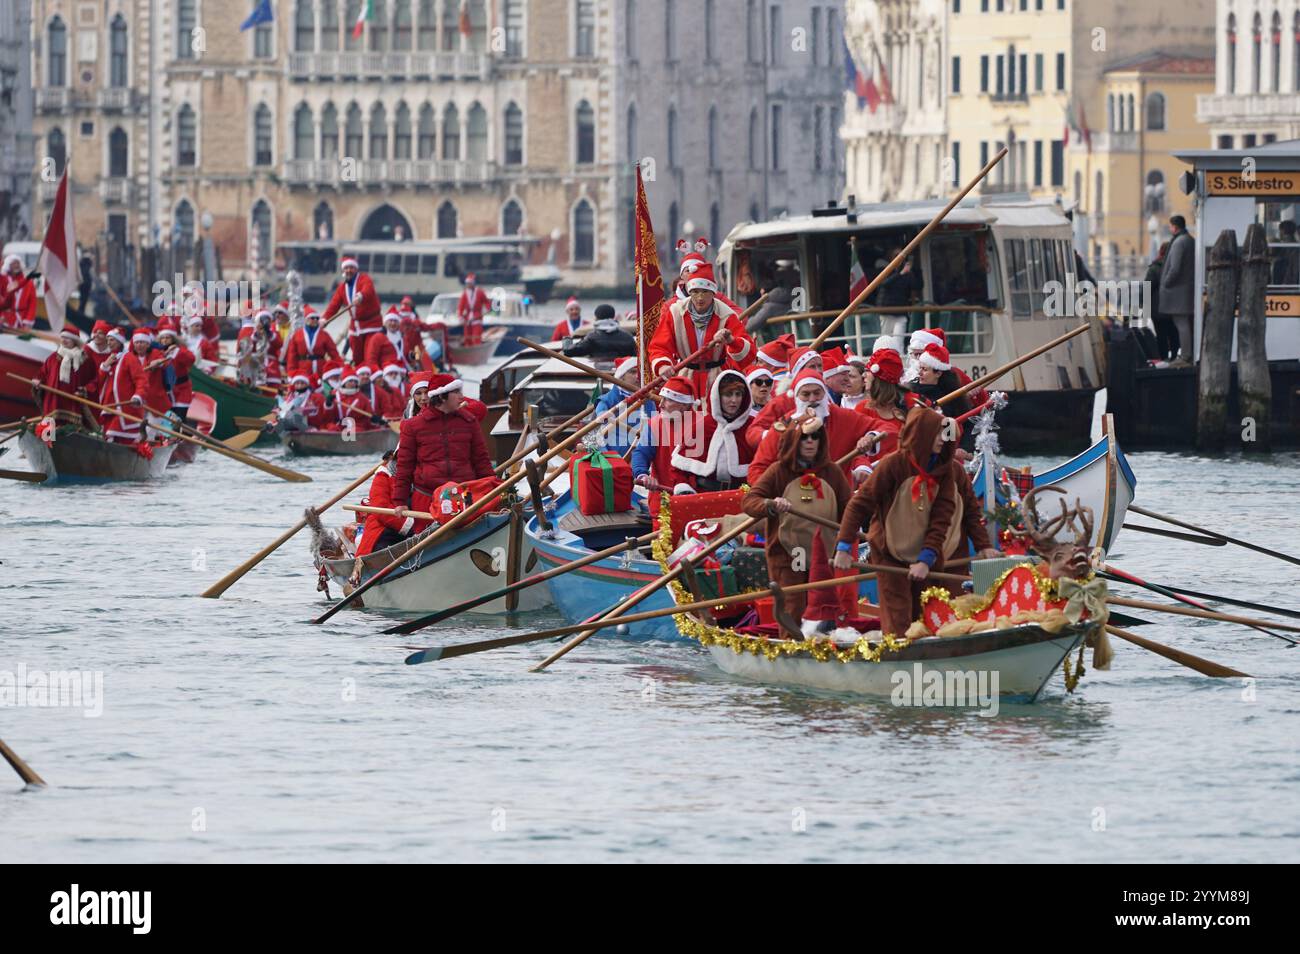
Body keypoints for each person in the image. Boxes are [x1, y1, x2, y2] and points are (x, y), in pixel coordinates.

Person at [834, 407, 999, 638]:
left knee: (937, 618)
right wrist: (843, 547)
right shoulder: (892, 465)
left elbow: (945, 518)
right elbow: (859, 504)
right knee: (899, 621)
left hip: (936, 555)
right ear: (921, 435)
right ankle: (899, 659)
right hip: (890, 554)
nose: (943, 440)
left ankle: (940, 661)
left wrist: (979, 546)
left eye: (945, 435)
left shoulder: (949, 472)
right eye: (937, 435)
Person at [742, 419, 853, 636]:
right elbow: (749, 501)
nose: (811, 442)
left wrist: (847, 539)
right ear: (795, 440)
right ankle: (789, 649)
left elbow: (849, 509)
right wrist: (770, 504)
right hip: (788, 553)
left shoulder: (832, 472)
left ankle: (823, 648)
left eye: (816, 437)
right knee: (793, 605)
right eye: (805, 438)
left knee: (825, 605)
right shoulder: (778, 471)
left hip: (823, 554)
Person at [390, 373, 499, 522]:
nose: (461, 397)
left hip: (465, 496)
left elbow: (481, 461)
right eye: (456, 393)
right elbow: (405, 466)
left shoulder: (469, 421)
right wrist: (400, 502)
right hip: (426, 498)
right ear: (442, 397)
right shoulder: (412, 426)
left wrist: (494, 489)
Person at [745, 369, 873, 486]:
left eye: (817, 393)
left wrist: (870, 437)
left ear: (825, 393)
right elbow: (757, 468)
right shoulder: (784, 425)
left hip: (836, 501)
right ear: (796, 397)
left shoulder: (843, 416)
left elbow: (884, 427)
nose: (812, 399)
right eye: (806, 394)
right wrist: (774, 495)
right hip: (793, 505)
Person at [648, 263, 754, 398]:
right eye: (696, 291)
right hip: (685, 378)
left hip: (718, 379)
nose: (700, 298)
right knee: (686, 417)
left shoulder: (727, 315)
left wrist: (731, 340)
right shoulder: (675, 312)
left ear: (713, 293)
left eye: (705, 292)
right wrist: (663, 365)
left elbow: (748, 354)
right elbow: (659, 345)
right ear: (689, 292)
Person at [670, 369, 755, 492]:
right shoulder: (704, 426)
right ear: (717, 397)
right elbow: (679, 469)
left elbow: (765, 466)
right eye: (728, 394)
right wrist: (684, 489)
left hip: (744, 498)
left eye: (738, 394)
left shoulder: (752, 427)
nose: (734, 400)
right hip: (704, 497)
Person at [631, 376, 699, 493]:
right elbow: (641, 453)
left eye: (668, 400)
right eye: (661, 399)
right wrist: (642, 475)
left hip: (697, 498)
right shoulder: (654, 424)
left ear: (685, 405)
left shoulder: (703, 425)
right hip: (662, 499)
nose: (660, 405)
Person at [355, 450, 428, 556]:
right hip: (383, 532)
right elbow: (381, 509)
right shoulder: (383, 477)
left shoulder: (420, 475)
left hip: (415, 530)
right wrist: (411, 527)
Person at [854, 347, 909, 468]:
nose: (863, 375)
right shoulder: (862, 408)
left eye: (868, 370)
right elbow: (853, 449)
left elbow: (948, 424)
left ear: (879, 379)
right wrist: (863, 468)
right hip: (873, 480)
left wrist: (956, 446)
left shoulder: (911, 405)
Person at [322, 257, 382, 360]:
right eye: (346, 268)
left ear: (356, 269)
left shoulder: (364, 278)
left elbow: (368, 289)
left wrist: (360, 296)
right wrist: (324, 319)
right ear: (343, 271)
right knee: (357, 356)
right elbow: (334, 305)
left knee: (370, 355)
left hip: (371, 325)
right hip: (355, 327)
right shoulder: (341, 288)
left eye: (351, 268)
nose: (349, 270)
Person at [33, 326, 97, 422]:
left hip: (72, 403)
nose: (64, 340)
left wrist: (85, 390)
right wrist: (37, 380)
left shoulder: (85, 360)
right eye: (63, 337)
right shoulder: (53, 357)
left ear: (75, 341)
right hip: (53, 400)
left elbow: (93, 379)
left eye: (68, 338)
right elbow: (43, 373)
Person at [593, 356, 654, 456]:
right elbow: (598, 431)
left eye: (639, 373)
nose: (638, 376)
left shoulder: (649, 401)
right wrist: (607, 459)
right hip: (613, 459)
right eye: (633, 372)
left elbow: (654, 431)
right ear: (622, 377)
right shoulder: (607, 400)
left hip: (642, 458)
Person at [99, 329, 151, 443]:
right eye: (107, 340)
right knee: (107, 436)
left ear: (119, 341)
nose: (108, 342)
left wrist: (138, 396)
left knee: (114, 436)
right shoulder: (110, 359)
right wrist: (105, 367)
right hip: (110, 407)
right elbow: (99, 382)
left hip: (125, 408)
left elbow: (141, 380)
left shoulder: (129, 358)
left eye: (112, 340)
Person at [1158, 214, 1195, 366]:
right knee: (1184, 323)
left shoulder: (1179, 242)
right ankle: (1187, 354)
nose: (1169, 228)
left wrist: (1165, 283)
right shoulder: (1189, 240)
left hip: (1178, 291)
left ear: (1174, 226)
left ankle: (1185, 356)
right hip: (1185, 289)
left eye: (1170, 226)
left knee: (1181, 323)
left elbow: (1175, 268)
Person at [285, 306, 342, 381]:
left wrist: (341, 368)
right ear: (306, 319)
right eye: (312, 318)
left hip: (320, 369)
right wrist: (291, 373)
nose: (315, 320)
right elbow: (292, 357)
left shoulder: (324, 335)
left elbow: (334, 354)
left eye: (317, 318)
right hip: (303, 370)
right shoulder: (297, 335)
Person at [155, 318, 196, 420]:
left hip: (181, 390)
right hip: (166, 392)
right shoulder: (157, 353)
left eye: (167, 338)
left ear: (173, 339)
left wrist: (177, 351)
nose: (164, 340)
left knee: (179, 417)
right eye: (162, 338)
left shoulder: (179, 351)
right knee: (167, 420)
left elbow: (191, 359)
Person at [563, 304, 637, 359]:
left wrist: (567, 341)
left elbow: (569, 352)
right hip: (621, 375)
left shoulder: (592, 337)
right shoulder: (628, 337)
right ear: (613, 316)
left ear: (597, 318)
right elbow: (635, 355)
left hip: (598, 374)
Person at [1144, 241, 1175, 360]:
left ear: (1161, 252)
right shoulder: (1176, 267)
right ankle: (1174, 358)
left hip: (1158, 310)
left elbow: (1147, 288)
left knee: (1161, 336)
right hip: (1174, 308)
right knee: (1174, 334)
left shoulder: (1155, 268)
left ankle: (1163, 359)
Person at [365, 308, 409, 374]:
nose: (393, 323)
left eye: (395, 321)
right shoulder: (377, 338)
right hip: (386, 373)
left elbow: (409, 355)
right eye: (390, 320)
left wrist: (415, 356)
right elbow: (371, 360)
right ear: (385, 323)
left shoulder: (403, 337)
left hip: (403, 372)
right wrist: (378, 374)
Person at [0, 254, 36, 330]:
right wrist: (1, 316)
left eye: (18, 263)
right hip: (5, 320)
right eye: (13, 263)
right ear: (8, 266)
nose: (16, 265)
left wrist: (28, 321)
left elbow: (32, 304)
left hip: (22, 319)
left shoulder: (29, 283)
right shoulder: (3, 280)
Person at [457, 274, 491, 346]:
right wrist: (460, 317)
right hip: (468, 318)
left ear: (473, 283)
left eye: (469, 283)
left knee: (476, 336)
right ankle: (468, 349)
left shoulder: (480, 292)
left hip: (477, 316)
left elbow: (487, 302)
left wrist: (487, 309)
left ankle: (477, 347)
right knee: (467, 337)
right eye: (467, 284)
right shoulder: (465, 294)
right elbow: (460, 307)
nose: (467, 285)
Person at [1272, 220, 1299, 286]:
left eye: (1280, 230)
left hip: (1285, 282)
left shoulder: (1286, 246)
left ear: (1283, 231)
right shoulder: (1294, 245)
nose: (1279, 233)